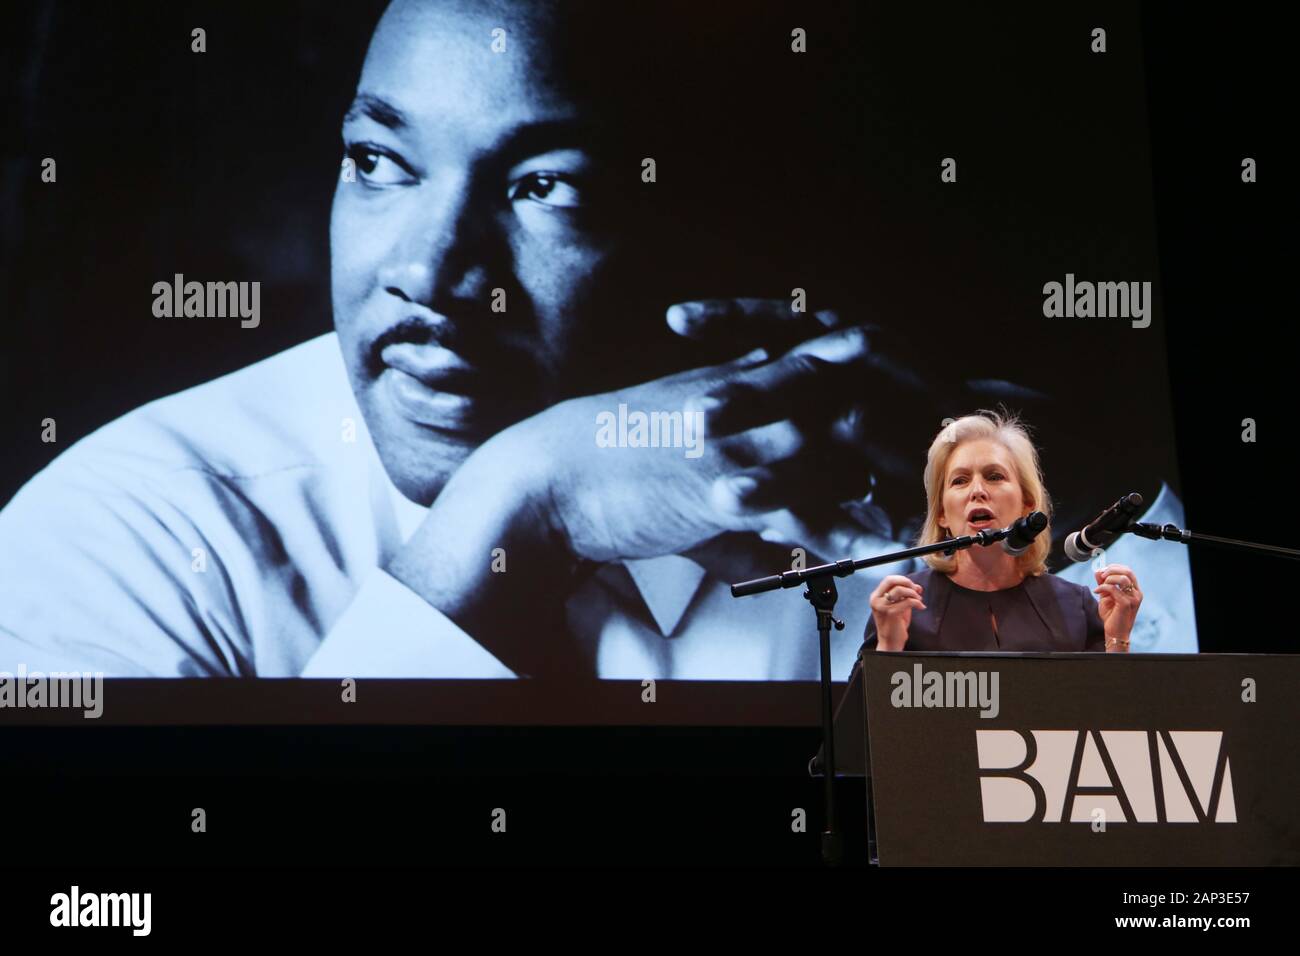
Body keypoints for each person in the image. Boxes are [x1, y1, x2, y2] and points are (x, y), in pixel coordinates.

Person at [0, 0, 1184, 683]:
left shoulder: (950, 492)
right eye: (378, 162)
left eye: (543, 187)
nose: (424, 269)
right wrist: (520, 505)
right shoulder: (126, 539)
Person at [863, 411, 1141, 654]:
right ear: (942, 514)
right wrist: (889, 645)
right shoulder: (904, 605)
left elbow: (1107, 710)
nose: (977, 491)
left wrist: (1118, 638)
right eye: (959, 481)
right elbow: (859, 713)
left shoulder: (1075, 605)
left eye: (994, 476)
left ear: (1028, 505)